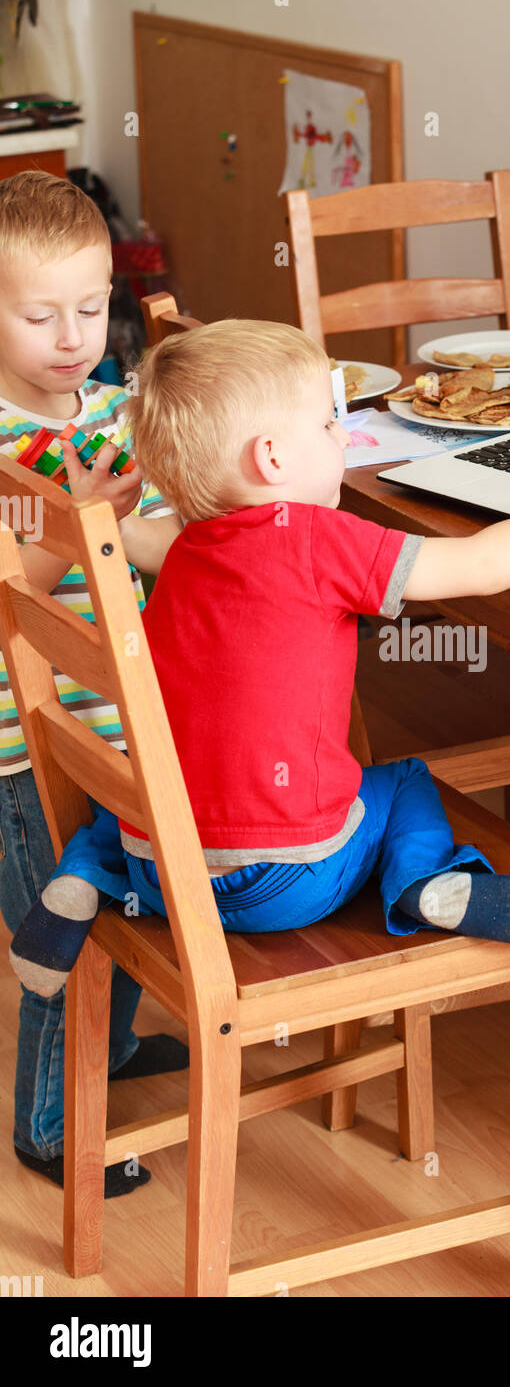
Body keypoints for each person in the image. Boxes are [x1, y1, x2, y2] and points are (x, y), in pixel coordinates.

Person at [8, 320, 510, 1049]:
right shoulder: (324, 542)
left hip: (159, 872)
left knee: (132, 797)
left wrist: (103, 504)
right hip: (286, 885)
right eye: (330, 422)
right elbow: (480, 567)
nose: (344, 437)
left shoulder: (181, 547)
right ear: (271, 457)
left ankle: (80, 882)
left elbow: (119, 533)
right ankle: (424, 885)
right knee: (406, 782)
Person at [0, 170, 186, 1198]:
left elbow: (155, 539)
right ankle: (45, 1126)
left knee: (117, 903)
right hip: (21, 742)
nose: (71, 336)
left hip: (116, 719)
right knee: (60, 939)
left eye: (89, 306)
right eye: (38, 315)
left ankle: (104, 1051)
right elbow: (12, 586)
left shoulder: (116, 409)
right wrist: (70, 515)